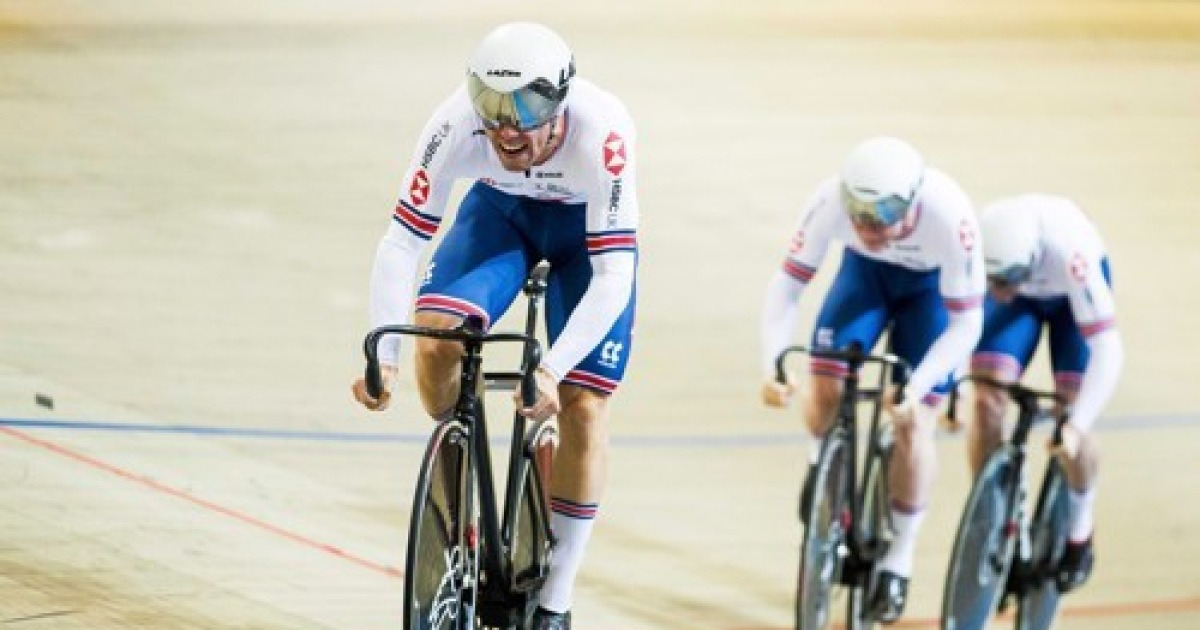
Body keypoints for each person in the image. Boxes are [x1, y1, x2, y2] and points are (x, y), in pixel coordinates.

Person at [351, 22, 639, 630]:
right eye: (491, 104)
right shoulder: (454, 123)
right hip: (501, 215)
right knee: (437, 337)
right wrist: (387, 355)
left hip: (583, 238)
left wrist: (553, 369)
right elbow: (403, 240)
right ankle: (459, 502)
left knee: (585, 404)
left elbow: (614, 275)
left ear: (559, 101)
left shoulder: (605, 130)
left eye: (526, 108)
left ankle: (555, 600)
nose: (506, 127)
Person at [759, 136, 985, 622]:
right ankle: (823, 466)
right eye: (858, 214)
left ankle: (899, 557)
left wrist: (918, 387)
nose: (867, 226)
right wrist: (772, 363)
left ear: (912, 202)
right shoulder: (828, 201)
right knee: (825, 379)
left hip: (928, 295)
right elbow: (788, 284)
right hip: (864, 279)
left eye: (882, 216)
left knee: (913, 424)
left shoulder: (951, 216)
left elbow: (967, 324)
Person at [970, 194, 1122, 593]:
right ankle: (989, 516)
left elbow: (1108, 351)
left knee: (1071, 408)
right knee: (986, 397)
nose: (998, 291)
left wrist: (1077, 424)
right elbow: (959, 318)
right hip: (1025, 299)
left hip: (1071, 301)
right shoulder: (986, 248)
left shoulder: (1073, 256)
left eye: (1005, 280)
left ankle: (1080, 530)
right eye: (992, 280)